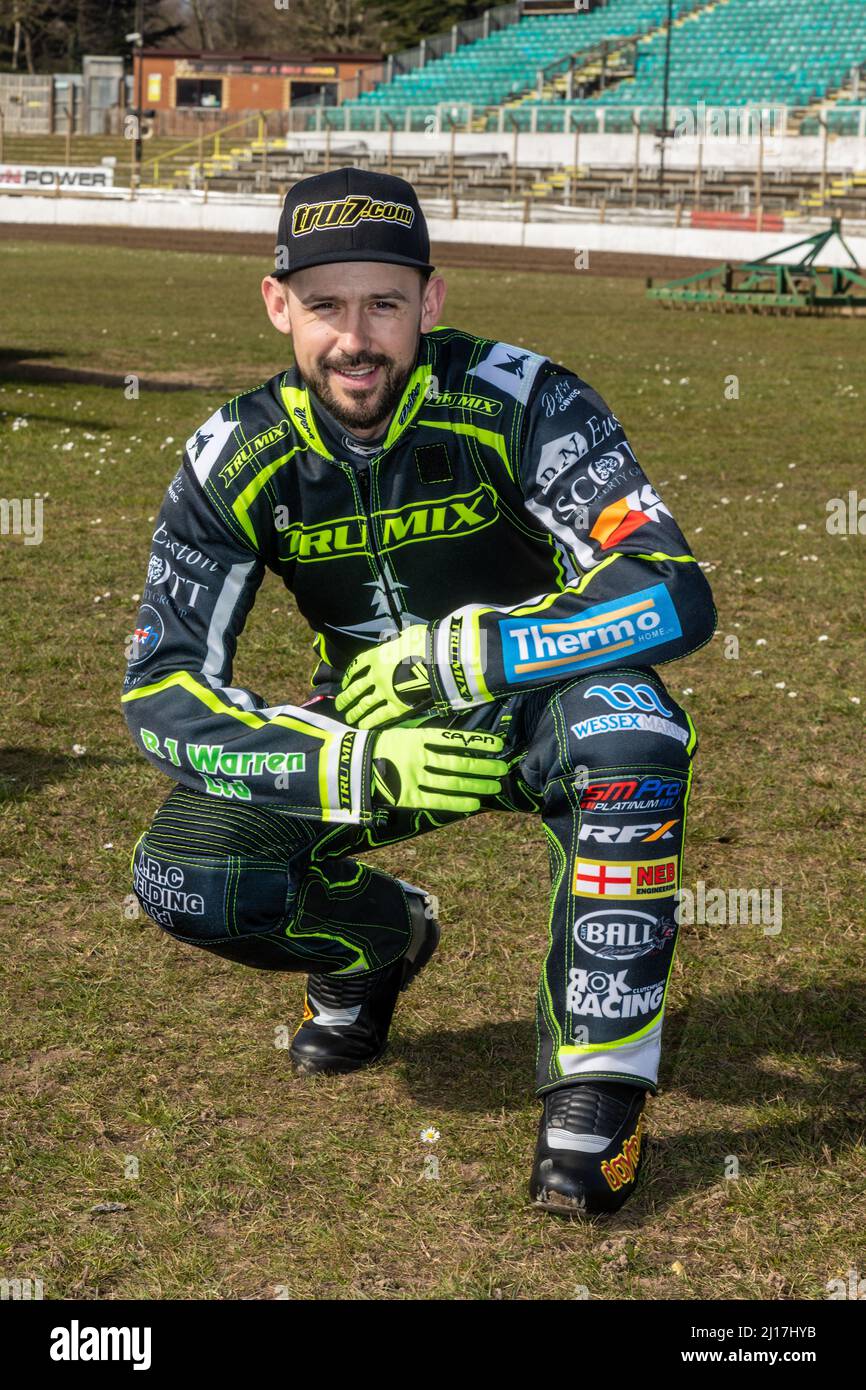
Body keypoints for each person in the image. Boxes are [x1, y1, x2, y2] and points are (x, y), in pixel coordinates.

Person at [122, 166, 717, 1217]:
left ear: (429, 302)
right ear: (277, 306)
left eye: (384, 303)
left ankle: (598, 1091)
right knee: (184, 874)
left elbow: (672, 592)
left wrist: (474, 656)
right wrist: (344, 761)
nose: (356, 337)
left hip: (539, 705)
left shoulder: (525, 397)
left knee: (632, 737)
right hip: (372, 734)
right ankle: (375, 947)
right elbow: (161, 686)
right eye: (325, 305)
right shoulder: (232, 455)